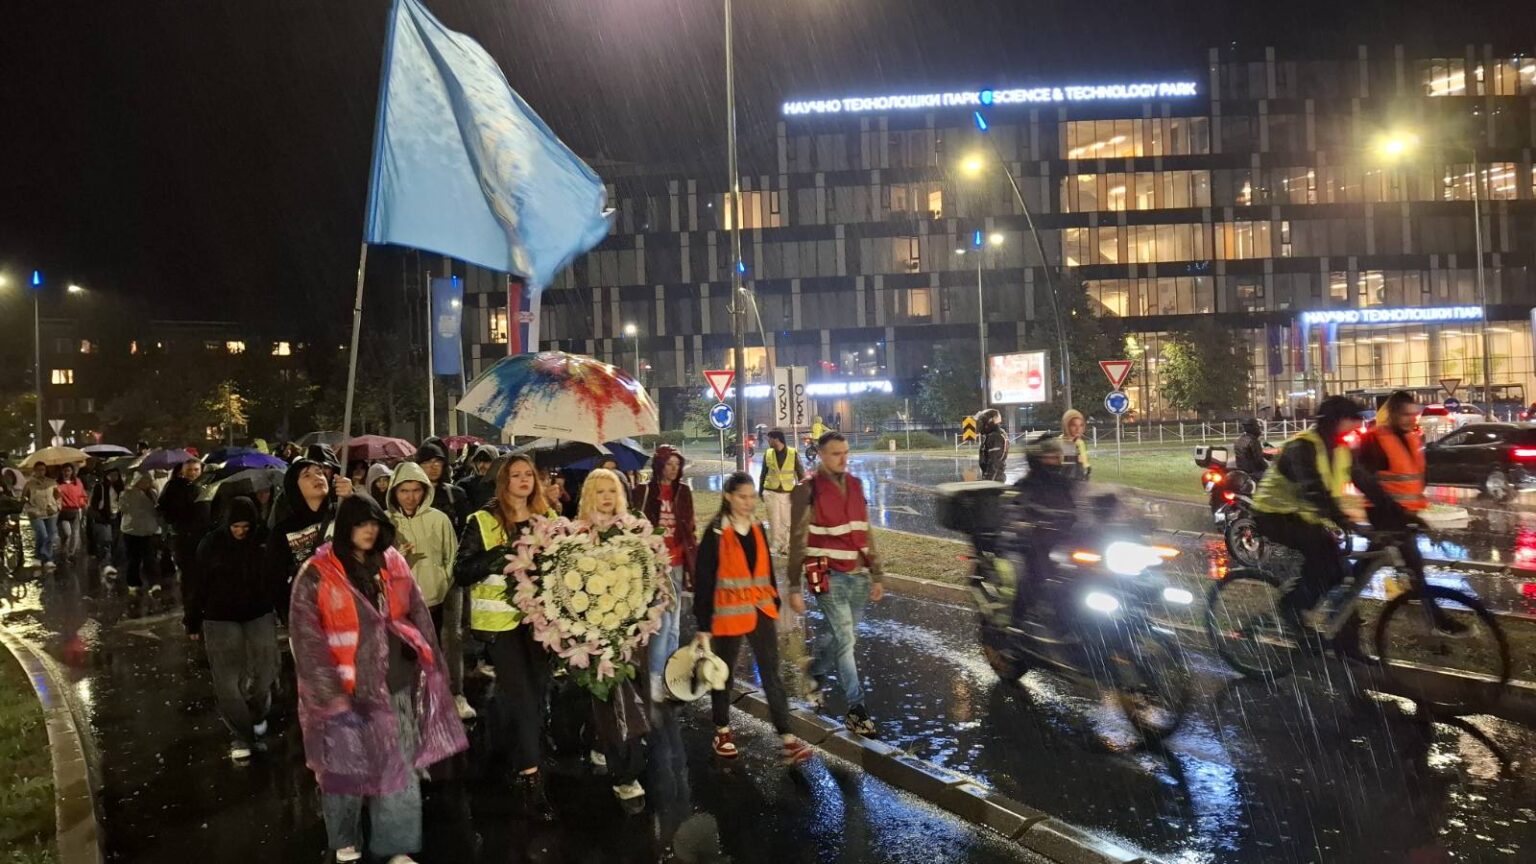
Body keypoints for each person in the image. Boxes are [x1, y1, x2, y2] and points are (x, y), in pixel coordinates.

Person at [289, 495, 466, 864]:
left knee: (397, 765)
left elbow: (416, 611)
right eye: (360, 523)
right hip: (344, 691)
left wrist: (430, 663)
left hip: (394, 683)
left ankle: (395, 845)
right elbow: (307, 641)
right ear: (344, 527)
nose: (369, 530)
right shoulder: (317, 573)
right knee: (344, 769)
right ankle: (344, 839)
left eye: (374, 523)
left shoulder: (392, 563)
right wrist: (329, 697)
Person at [1251, 395, 1410, 659]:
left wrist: (1399, 513)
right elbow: (1314, 491)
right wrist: (1345, 521)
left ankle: (1346, 645)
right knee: (1327, 562)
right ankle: (1292, 608)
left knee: (1343, 575)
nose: (1358, 426)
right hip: (1273, 514)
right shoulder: (1302, 448)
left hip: (1305, 516)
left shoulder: (1340, 450)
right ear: (1335, 422)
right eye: (1354, 420)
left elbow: (1366, 482)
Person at [452, 454, 555, 819]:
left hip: (541, 623)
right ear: (503, 481)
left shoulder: (549, 519)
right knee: (525, 698)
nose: (524, 480)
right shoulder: (481, 520)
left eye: (529, 474)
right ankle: (531, 779)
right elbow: (461, 572)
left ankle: (498, 735)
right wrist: (498, 555)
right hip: (502, 627)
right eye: (516, 474)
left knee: (537, 690)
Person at [692, 472, 814, 765]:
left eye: (751, 497)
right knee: (724, 674)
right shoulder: (716, 532)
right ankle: (722, 730)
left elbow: (767, 568)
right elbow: (704, 579)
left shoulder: (758, 527)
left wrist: (773, 599)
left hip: (760, 611)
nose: (748, 503)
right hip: (728, 614)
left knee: (771, 673)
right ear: (728, 497)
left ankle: (787, 737)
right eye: (742, 497)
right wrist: (703, 624)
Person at [565, 468, 651, 812]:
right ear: (588, 496)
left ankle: (600, 740)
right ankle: (626, 775)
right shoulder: (574, 537)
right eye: (598, 491)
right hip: (594, 635)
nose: (605, 497)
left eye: (611, 490)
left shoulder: (635, 531)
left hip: (631, 633)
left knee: (629, 696)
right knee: (611, 700)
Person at [787, 431, 883, 735]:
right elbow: (797, 539)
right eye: (835, 453)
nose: (843, 458)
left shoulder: (855, 485)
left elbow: (865, 531)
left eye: (846, 452)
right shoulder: (807, 490)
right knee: (845, 640)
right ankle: (856, 709)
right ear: (820, 455)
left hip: (857, 578)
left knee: (840, 637)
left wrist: (876, 573)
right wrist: (793, 586)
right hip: (827, 576)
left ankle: (814, 672)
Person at [185, 497, 279, 762]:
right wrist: (192, 620)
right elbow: (198, 583)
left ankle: (258, 712)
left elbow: (275, 575)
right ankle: (242, 734)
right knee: (228, 680)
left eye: (245, 527)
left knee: (265, 670)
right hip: (220, 617)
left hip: (258, 612)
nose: (240, 532)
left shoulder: (264, 540)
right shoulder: (211, 544)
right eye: (235, 526)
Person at [386, 460, 473, 720]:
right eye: (404, 490)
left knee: (448, 645)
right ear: (394, 492)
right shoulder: (387, 522)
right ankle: (412, 701)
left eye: (416, 490)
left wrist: (442, 581)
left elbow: (451, 556)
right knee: (407, 653)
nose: (410, 496)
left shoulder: (439, 519)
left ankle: (455, 695)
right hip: (404, 601)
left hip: (440, 596)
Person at [632, 446, 697, 702]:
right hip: (656, 565)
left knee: (675, 624)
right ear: (659, 465)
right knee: (662, 622)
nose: (673, 468)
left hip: (679, 562)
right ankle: (655, 677)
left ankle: (671, 675)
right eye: (669, 463)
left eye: (676, 464)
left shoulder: (684, 492)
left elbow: (689, 525)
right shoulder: (644, 491)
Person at [1004, 433, 1081, 626]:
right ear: (1036, 459)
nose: (1055, 460)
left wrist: (1118, 508)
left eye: (1057, 456)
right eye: (1050, 457)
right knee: (1034, 576)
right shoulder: (1026, 485)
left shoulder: (1064, 483)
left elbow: (1085, 499)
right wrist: (1027, 519)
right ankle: (1016, 627)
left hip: (1066, 542)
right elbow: (1015, 507)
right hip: (1038, 542)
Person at [267, 459, 350, 613]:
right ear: (294, 487)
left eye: (319, 472)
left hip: (348, 611)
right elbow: (275, 582)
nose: (317, 477)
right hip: (310, 616)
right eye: (307, 475)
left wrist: (354, 498)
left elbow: (377, 532)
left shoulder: (344, 514)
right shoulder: (283, 531)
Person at [158, 459, 210, 588]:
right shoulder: (173, 486)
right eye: (189, 470)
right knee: (188, 571)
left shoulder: (206, 486)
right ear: (182, 471)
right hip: (183, 535)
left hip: (203, 535)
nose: (193, 473)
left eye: (196, 470)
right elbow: (162, 507)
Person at [757, 429, 804, 557]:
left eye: (769, 438)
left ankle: (786, 546)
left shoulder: (793, 453)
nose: (768, 441)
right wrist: (761, 491)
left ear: (776, 439)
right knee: (774, 520)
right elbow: (763, 474)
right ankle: (775, 545)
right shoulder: (768, 453)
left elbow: (801, 474)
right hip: (771, 492)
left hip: (788, 492)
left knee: (787, 521)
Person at [120, 472, 162, 595]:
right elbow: (123, 509)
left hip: (149, 530)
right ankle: (133, 584)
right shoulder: (128, 493)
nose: (148, 483)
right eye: (145, 481)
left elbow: (157, 510)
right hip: (132, 531)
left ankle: (154, 583)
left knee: (150, 558)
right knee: (134, 559)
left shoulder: (152, 494)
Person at [415, 440, 468, 533]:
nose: (433, 466)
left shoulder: (455, 494)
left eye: (437, 461)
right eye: (427, 462)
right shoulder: (412, 495)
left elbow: (466, 528)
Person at [22, 463, 61, 571]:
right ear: (34, 470)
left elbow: (58, 496)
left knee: (50, 535)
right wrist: (29, 509)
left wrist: (57, 506)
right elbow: (24, 499)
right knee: (42, 534)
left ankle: (47, 559)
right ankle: (41, 556)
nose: (41, 472)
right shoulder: (29, 484)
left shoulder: (52, 482)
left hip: (51, 512)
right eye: (38, 470)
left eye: (43, 470)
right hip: (36, 513)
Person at [88, 467, 125, 576]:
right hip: (103, 518)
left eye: (116, 475)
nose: (114, 477)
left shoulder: (121, 488)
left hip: (117, 518)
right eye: (111, 474)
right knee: (106, 540)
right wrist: (98, 515)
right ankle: (106, 564)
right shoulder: (100, 487)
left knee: (116, 542)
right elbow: (94, 504)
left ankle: (113, 563)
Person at [55, 464, 88, 560]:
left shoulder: (77, 482)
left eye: (69, 470)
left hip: (75, 511)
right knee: (66, 533)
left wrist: (83, 504)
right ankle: (63, 548)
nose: (67, 473)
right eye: (65, 470)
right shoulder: (57, 483)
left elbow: (82, 494)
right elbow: (54, 497)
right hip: (63, 512)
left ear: (72, 471)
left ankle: (71, 554)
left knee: (75, 534)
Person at [456, 446, 497, 511]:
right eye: (478, 461)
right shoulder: (464, 485)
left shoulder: (503, 484)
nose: (482, 465)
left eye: (486, 461)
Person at [977, 409, 1008, 483]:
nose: (981, 425)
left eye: (983, 422)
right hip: (995, 477)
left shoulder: (995, 437)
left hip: (994, 479)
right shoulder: (996, 435)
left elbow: (994, 463)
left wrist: (989, 483)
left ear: (990, 422)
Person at [1060, 409, 1091, 480]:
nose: (1078, 429)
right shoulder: (1063, 442)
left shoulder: (1080, 442)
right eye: (1074, 425)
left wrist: (1087, 469)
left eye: (1081, 425)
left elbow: (1085, 463)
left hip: (1080, 478)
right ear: (1067, 425)